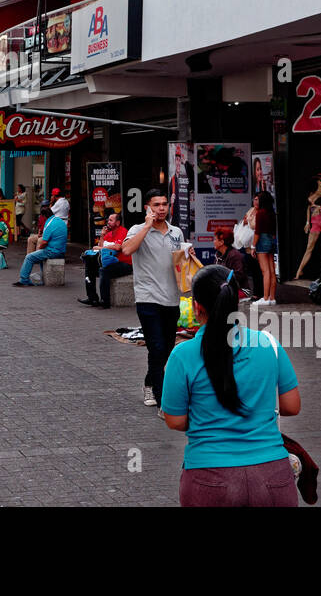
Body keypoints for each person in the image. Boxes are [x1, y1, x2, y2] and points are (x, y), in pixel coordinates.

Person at [162, 265, 303, 507]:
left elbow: (175, 420)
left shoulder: (182, 355)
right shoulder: (267, 344)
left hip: (209, 479)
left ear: (197, 307)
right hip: (272, 476)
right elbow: (291, 406)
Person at [122, 190, 187, 407]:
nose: (161, 208)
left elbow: (180, 262)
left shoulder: (176, 232)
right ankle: (163, 400)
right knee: (156, 347)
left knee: (166, 348)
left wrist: (188, 256)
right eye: (156, 205)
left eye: (164, 204)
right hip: (147, 297)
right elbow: (127, 249)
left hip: (171, 298)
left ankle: (150, 382)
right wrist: (147, 226)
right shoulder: (137, 230)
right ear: (147, 208)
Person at [81, 210, 132, 307]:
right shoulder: (109, 234)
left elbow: (118, 247)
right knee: (89, 266)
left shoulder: (123, 231)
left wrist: (100, 247)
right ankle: (92, 298)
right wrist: (102, 235)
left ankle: (105, 301)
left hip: (125, 264)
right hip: (111, 262)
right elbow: (100, 247)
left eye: (111, 220)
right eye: (108, 220)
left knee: (103, 271)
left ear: (117, 223)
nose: (108, 222)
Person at [15, 203, 67, 287]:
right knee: (40, 254)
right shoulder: (60, 221)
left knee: (29, 257)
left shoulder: (49, 224)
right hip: (61, 250)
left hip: (53, 251)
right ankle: (43, 276)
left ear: (44, 216)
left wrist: (39, 247)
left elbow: (44, 242)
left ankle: (23, 279)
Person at [253, 191, 277, 304]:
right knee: (272, 271)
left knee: (265, 271)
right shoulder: (272, 213)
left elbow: (257, 232)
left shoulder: (260, 213)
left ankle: (265, 298)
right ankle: (272, 298)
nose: (256, 201)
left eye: (258, 199)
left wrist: (253, 246)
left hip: (262, 241)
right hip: (271, 240)